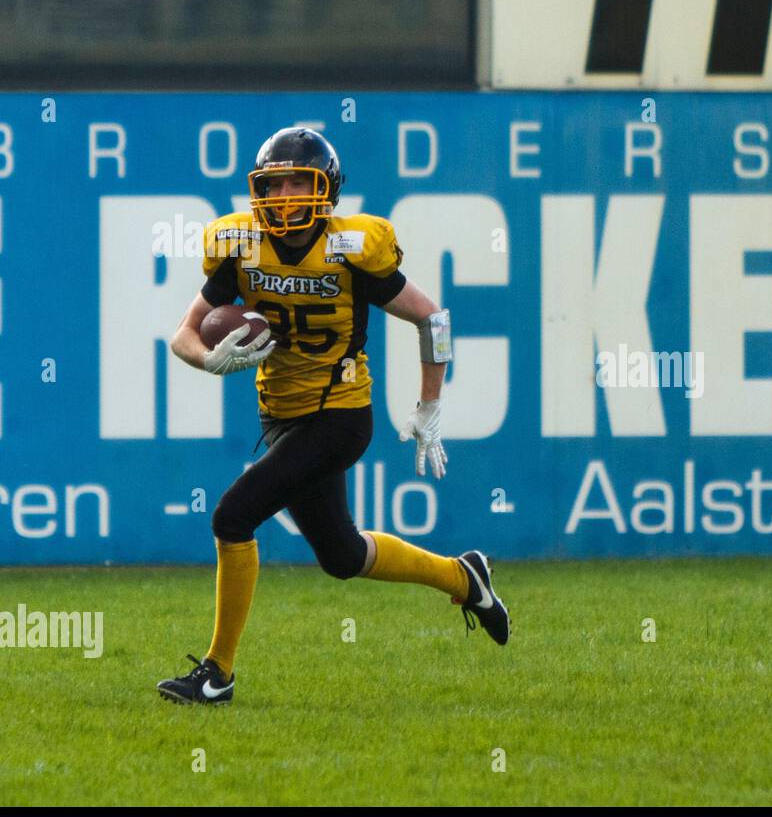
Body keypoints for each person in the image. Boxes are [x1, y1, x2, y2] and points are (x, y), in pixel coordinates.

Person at [157, 127, 508, 705]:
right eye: (276, 183)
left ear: (327, 189)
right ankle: (463, 578)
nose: (286, 195)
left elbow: (434, 320)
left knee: (233, 515)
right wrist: (209, 361)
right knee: (343, 557)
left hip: (341, 414)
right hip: (283, 417)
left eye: (300, 181)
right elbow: (183, 335)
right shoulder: (242, 246)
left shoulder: (353, 249)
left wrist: (430, 405)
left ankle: (217, 674)